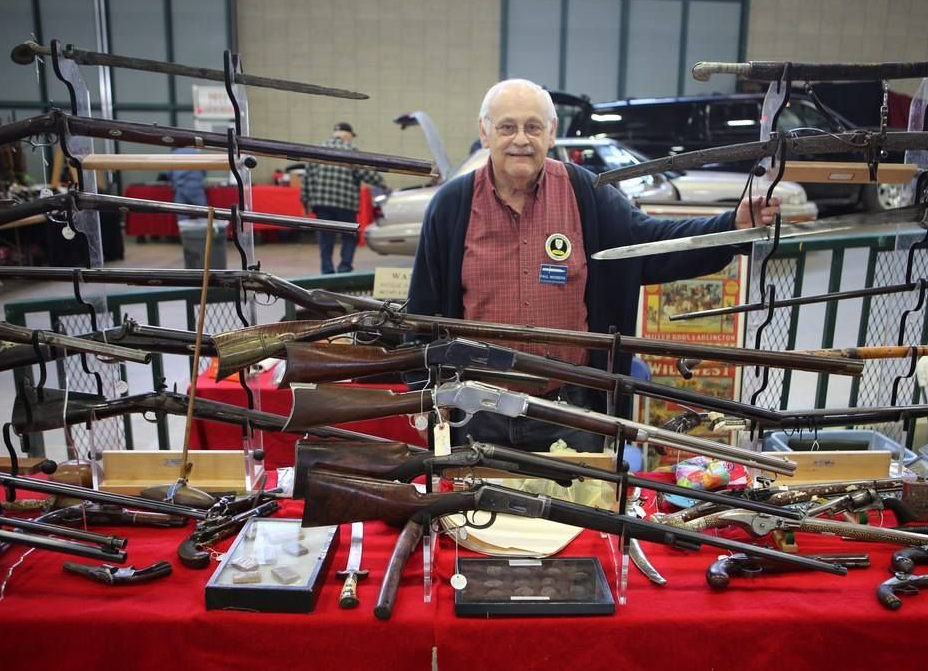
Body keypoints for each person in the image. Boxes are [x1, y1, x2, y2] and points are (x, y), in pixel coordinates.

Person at [407, 78, 779, 453]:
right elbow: (420, 316)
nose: (521, 139)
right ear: (484, 133)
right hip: (474, 412)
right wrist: (421, 401)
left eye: (533, 127)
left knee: (580, 510)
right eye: (507, 127)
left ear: (551, 133)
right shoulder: (452, 206)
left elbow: (652, 243)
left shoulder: (584, 193)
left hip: (568, 414)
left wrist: (729, 228)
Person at [300, 122, 387, 274]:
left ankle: (326, 271)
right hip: (345, 203)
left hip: (322, 203)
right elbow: (366, 173)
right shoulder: (351, 150)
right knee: (349, 236)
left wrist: (306, 201)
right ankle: (344, 268)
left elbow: (307, 179)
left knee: (326, 238)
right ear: (347, 135)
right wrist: (382, 184)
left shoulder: (318, 149)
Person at [168, 147, 207, 224]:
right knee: (203, 214)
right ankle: (203, 234)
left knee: (182, 217)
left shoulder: (175, 153)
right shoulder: (196, 152)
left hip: (180, 188)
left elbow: (169, 173)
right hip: (196, 188)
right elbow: (204, 171)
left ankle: (185, 235)